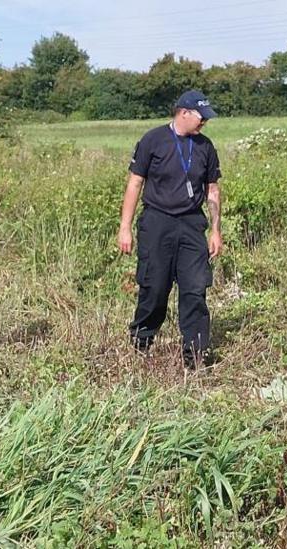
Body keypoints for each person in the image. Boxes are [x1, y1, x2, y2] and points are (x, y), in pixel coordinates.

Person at [117, 90, 223, 368]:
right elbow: (134, 184)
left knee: (195, 290)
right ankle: (141, 343)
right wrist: (125, 227)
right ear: (184, 113)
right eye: (202, 118)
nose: (204, 124)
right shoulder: (153, 140)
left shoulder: (205, 147)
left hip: (191, 225)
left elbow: (212, 190)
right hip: (157, 223)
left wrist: (215, 229)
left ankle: (196, 357)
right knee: (154, 288)